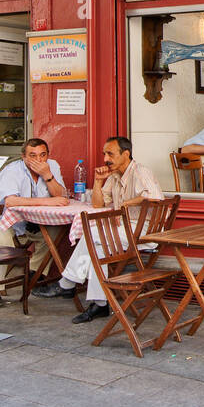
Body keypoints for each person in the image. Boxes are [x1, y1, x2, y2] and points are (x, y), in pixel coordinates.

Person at [31, 136, 163, 323]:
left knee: (93, 234)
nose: (106, 159)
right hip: (125, 229)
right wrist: (99, 181)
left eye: (110, 154)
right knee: (97, 247)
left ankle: (66, 283)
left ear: (126, 154)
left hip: (145, 231)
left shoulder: (141, 171)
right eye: (104, 154)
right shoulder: (115, 175)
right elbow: (97, 205)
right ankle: (100, 304)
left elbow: (155, 197)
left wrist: (126, 204)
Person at [0, 137, 70, 307]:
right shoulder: (12, 170)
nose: (39, 160)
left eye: (43, 155)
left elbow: (61, 195)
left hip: (29, 222)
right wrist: (47, 202)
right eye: (33, 155)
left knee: (53, 233)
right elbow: (10, 202)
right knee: (4, 242)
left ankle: (34, 275)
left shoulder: (52, 166)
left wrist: (47, 175)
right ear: (23, 157)